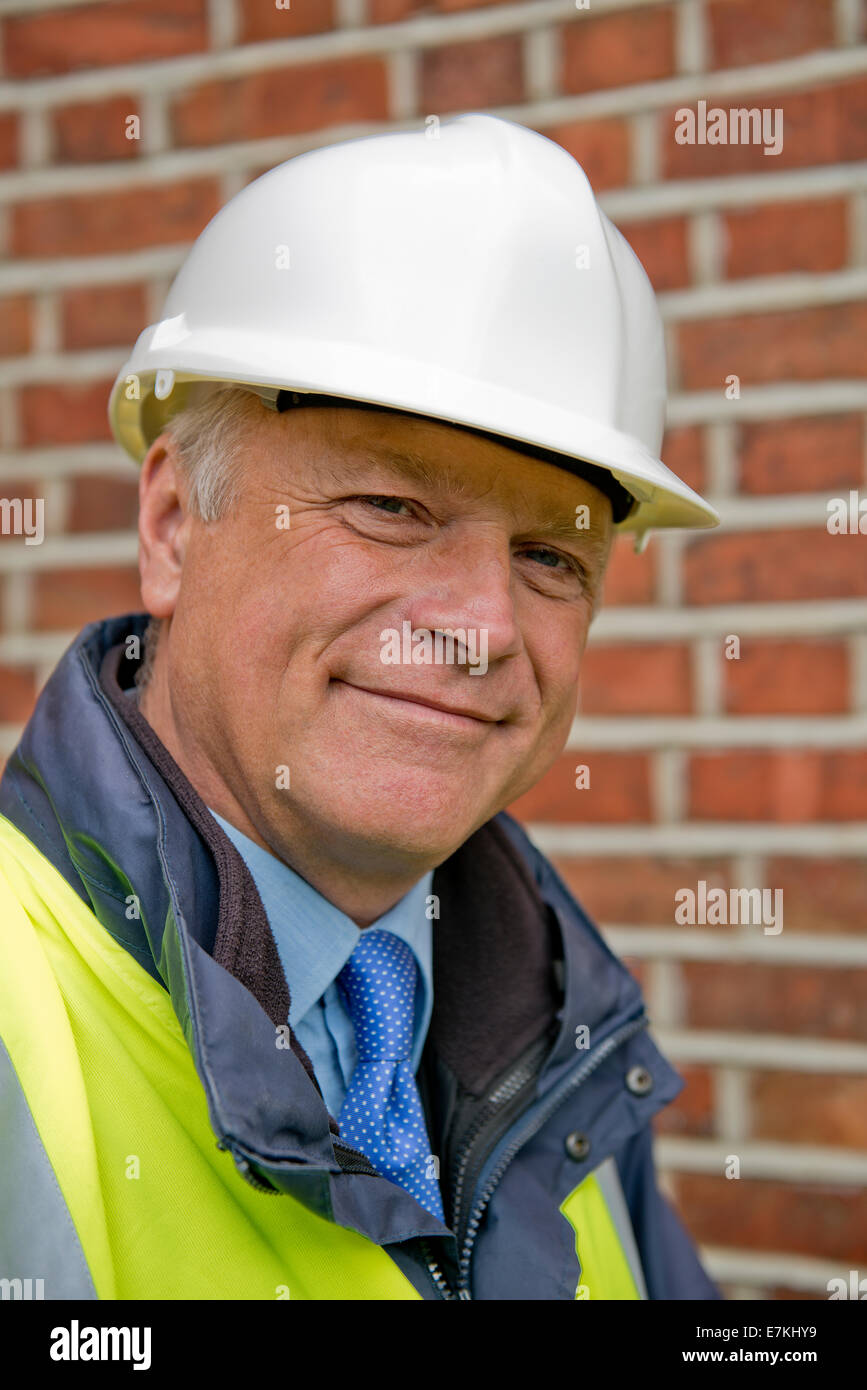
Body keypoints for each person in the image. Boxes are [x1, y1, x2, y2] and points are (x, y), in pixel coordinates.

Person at [0, 112, 721, 1300]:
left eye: (551, 554)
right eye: (391, 506)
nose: (483, 628)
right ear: (174, 527)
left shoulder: (563, 1044)